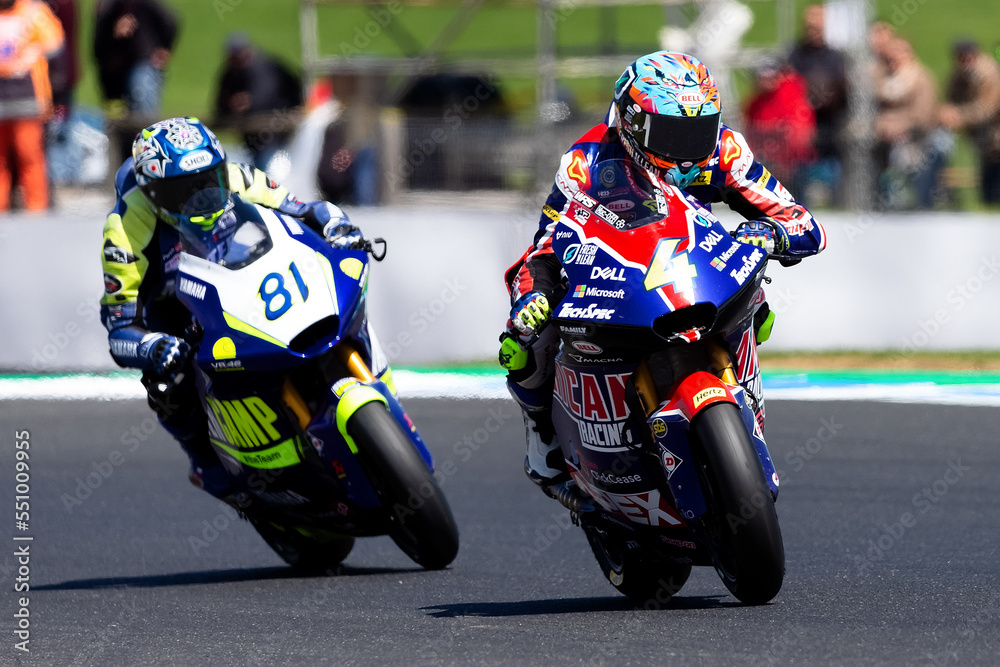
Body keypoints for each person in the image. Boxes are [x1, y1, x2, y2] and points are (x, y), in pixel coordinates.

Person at [499, 51, 826, 502]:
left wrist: (771, 234)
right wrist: (535, 293)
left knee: (760, 307)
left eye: (700, 127)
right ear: (632, 122)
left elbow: (799, 220)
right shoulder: (587, 162)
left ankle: (738, 403)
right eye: (673, 131)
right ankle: (544, 442)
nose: (690, 146)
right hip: (613, 275)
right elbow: (548, 243)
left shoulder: (724, 150)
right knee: (525, 340)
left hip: (693, 268)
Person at [99, 117, 364, 499]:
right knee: (167, 382)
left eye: (209, 180)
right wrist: (153, 346)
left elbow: (303, 210)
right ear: (152, 192)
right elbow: (120, 329)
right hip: (170, 305)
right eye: (183, 191)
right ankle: (205, 462)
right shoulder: (123, 229)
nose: (202, 195)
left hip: (237, 274)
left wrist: (336, 224)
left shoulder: (236, 176)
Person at [0, 0, 64, 212]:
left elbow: (55, 41)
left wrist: (31, 50)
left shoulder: (32, 11)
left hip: (27, 98)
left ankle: (36, 209)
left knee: (29, 156)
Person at [213, 32, 302, 170]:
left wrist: (247, 103)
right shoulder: (230, 73)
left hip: (275, 132)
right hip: (252, 137)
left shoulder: (263, 67)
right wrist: (231, 105)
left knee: (268, 171)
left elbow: (266, 96)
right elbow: (219, 105)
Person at [788, 4, 848, 206]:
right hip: (802, 120)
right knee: (801, 168)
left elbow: (843, 87)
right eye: (810, 27)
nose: (814, 32)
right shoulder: (796, 55)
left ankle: (838, 203)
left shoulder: (836, 57)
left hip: (830, 121)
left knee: (833, 167)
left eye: (818, 28)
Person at [874, 38, 944, 210]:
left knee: (902, 157)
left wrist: (899, 126)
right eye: (891, 54)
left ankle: (908, 204)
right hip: (882, 136)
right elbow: (875, 110)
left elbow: (922, 114)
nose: (895, 58)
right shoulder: (882, 79)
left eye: (900, 52)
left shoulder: (921, 79)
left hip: (916, 138)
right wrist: (884, 127)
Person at [939, 39, 1000, 205]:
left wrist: (959, 116)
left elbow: (987, 108)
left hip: (994, 136)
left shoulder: (989, 73)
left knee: (994, 190)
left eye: (967, 57)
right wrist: (947, 112)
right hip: (983, 139)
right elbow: (950, 97)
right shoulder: (959, 74)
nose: (963, 61)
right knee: (988, 193)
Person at [743, 57, 816, 187]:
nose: (767, 82)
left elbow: (800, 132)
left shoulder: (791, 92)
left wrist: (786, 162)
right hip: (767, 161)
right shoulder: (756, 102)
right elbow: (752, 131)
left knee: (796, 200)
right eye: (763, 77)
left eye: (771, 77)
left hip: (793, 163)